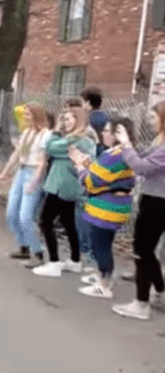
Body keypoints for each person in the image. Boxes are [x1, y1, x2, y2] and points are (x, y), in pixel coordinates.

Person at [69, 117, 136, 298]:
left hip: (106, 207)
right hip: (112, 205)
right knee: (103, 242)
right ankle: (103, 275)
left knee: (101, 245)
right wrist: (87, 164)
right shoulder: (120, 153)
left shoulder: (115, 156)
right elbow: (103, 175)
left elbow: (92, 182)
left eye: (108, 131)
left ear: (117, 134)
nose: (104, 134)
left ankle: (104, 284)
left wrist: (79, 167)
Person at [112, 101, 165, 320]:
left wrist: (126, 145)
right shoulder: (159, 141)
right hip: (153, 198)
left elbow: (142, 166)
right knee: (147, 250)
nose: (150, 121)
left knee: (141, 250)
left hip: (158, 202)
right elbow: (144, 161)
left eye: (154, 118)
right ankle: (160, 291)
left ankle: (141, 303)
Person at [30, 108, 96, 278]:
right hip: (69, 186)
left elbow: (50, 148)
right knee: (68, 221)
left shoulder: (77, 140)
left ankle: (54, 262)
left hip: (61, 186)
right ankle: (75, 260)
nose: (65, 122)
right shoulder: (80, 140)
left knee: (45, 220)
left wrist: (57, 131)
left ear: (79, 120)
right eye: (64, 119)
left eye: (69, 119)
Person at [0, 103, 51, 267]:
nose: (25, 117)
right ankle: (23, 245)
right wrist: (4, 173)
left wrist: (34, 182)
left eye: (28, 114)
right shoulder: (26, 133)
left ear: (36, 115)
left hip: (33, 173)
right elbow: (17, 154)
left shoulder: (45, 135)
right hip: (21, 171)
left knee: (25, 216)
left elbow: (43, 162)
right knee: (11, 213)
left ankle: (38, 252)